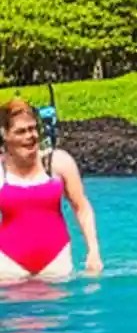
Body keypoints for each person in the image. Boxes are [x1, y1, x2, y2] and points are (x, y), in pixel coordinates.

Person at [0, 97, 102, 280]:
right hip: (8, 264)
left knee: (57, 309)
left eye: (32, 129)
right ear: (5, 135)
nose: (29, 136)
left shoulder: (58, 162)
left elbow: (82, 208)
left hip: (56, 261)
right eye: (20, 131)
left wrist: (93, 251)